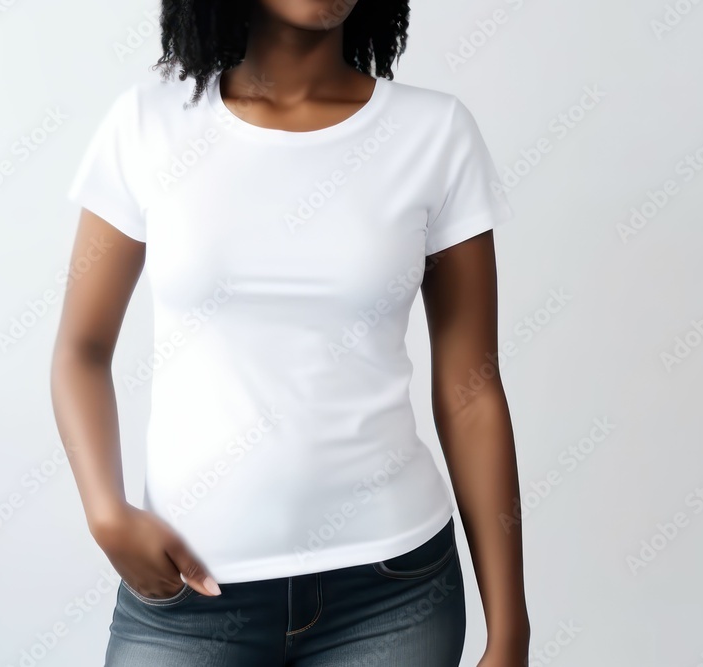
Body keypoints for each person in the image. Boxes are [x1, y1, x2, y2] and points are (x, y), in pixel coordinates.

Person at [50, 1, 530, 665]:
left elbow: (471, 389)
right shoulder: (147, 126)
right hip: (186, 594)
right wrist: (105, 512)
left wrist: (510, 631)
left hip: (392, 591)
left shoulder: (434, 133)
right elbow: (82, 348)